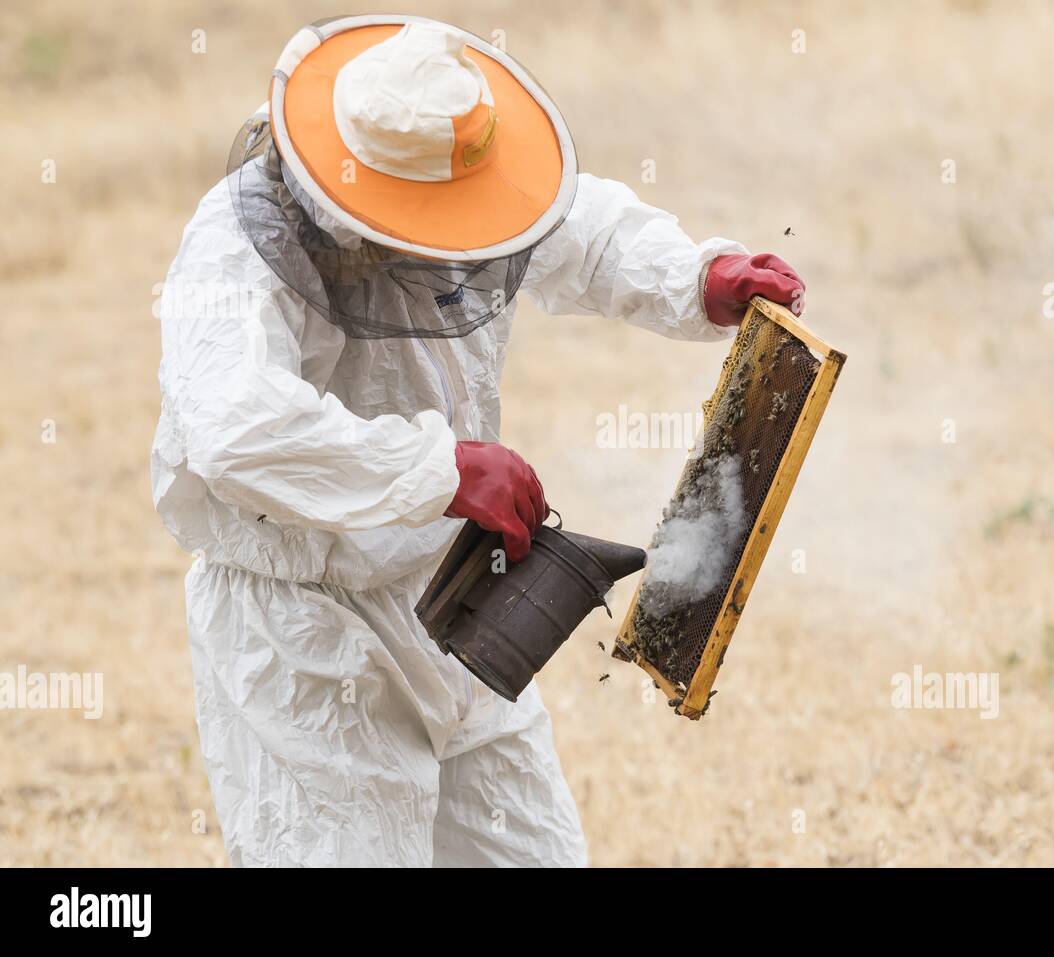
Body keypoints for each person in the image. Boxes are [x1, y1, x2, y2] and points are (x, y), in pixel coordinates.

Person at [151, 14, 805, 867]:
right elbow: (233, 425)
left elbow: (580, 227)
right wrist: (440, 469)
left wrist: (695, 277)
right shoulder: (237, 245)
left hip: (455, 595)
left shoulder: (465, 174)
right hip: (302, 631)